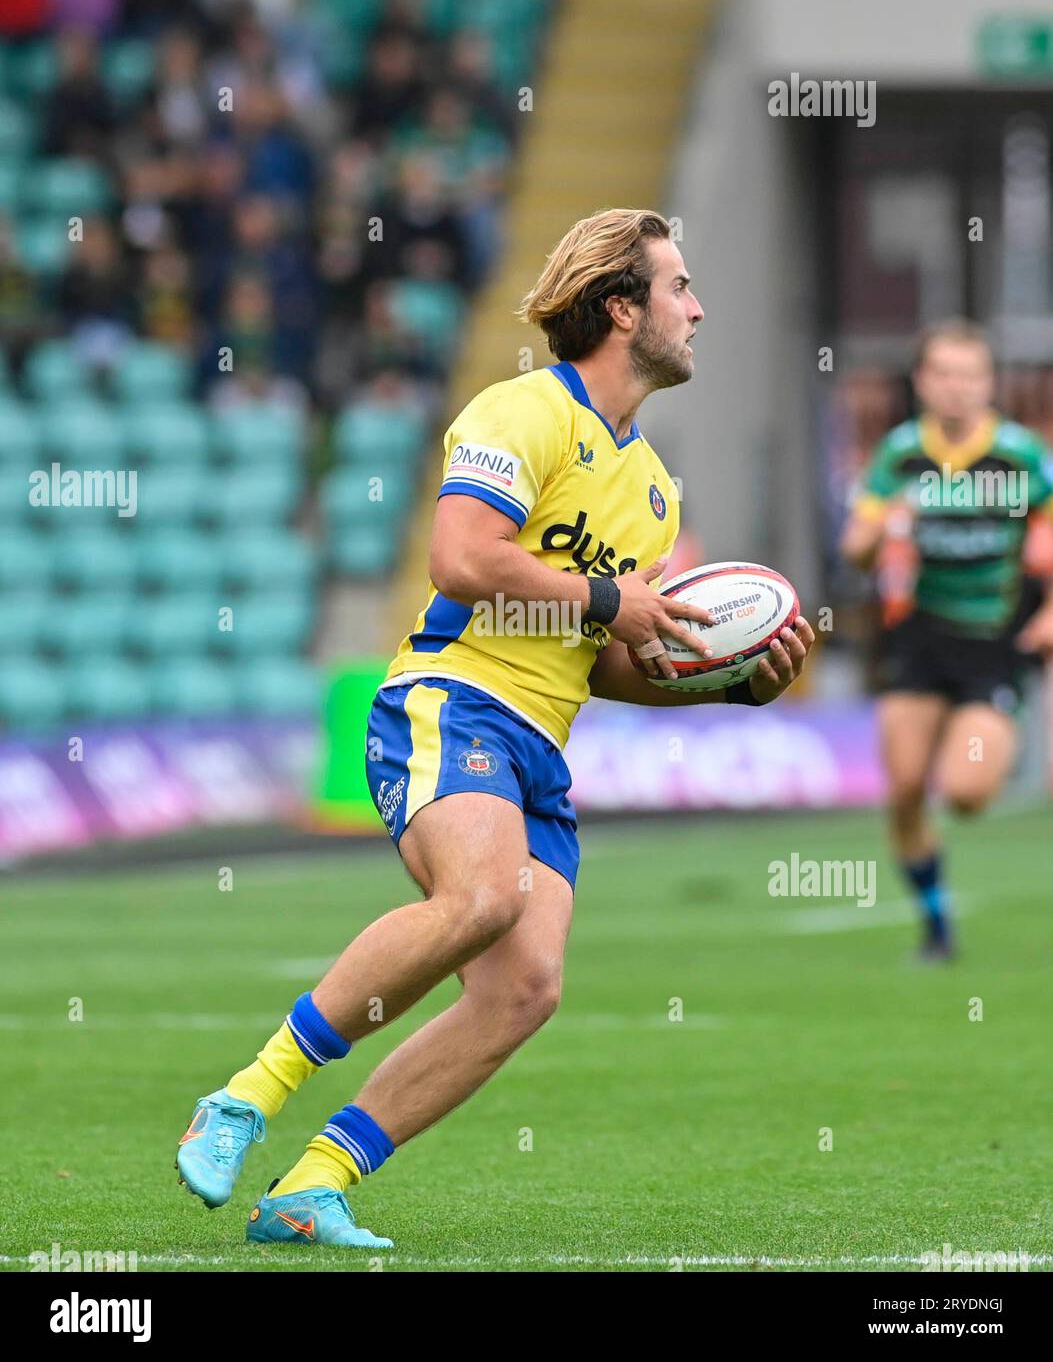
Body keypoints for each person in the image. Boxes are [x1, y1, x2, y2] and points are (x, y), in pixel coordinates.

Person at [175, 208, 814, 1248]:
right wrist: (611, 599)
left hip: (539, 743)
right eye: (679, 287)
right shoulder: (521, 411)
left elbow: (602, 662)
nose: (698, 308)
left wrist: (724, 685)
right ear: (622, 307)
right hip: (450, 700)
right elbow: (462, 560)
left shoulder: (652, 494)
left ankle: (314, 1183)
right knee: (479, 898)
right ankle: (245, 1096)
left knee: (526, 988)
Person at [841, 320, 1053, 960]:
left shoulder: (1019, 456)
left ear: (989, 383)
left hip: (993, 642)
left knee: (965, 793)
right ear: (923, 382)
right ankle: (936, 925)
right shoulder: (900, 453)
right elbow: (855, 549)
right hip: (918, 641)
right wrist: (885, 529)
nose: (957, 388)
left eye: (971, 375)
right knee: (905, 787)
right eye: (944, 374)